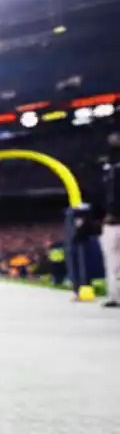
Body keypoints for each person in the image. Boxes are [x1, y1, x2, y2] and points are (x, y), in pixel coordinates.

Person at [102, 131, 120, 307]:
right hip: (111, 221)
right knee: (112, 262)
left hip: (113, 219)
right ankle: (114, 296)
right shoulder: (109, 165)